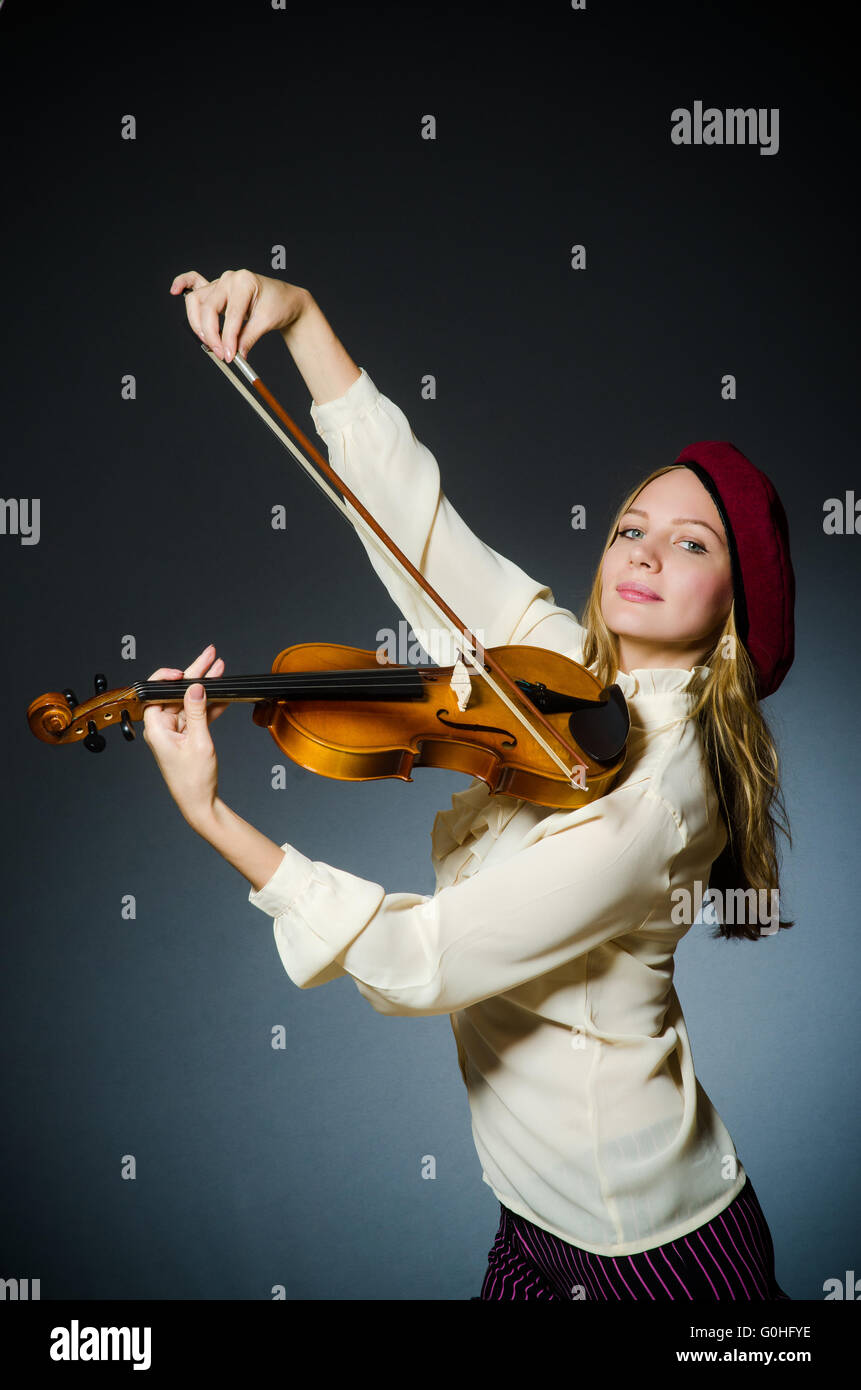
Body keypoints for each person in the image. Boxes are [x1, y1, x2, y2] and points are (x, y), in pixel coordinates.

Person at [143, 268, 795, 1301]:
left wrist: (213, 816)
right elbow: (424, 539)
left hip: (656, 1250)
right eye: (633, 526)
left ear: (733, 607)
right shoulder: (562, 673)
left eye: (692, 543)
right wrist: (305, 316)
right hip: (530, 1211)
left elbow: (425, 958)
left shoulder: (664, 792)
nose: (647, 551)